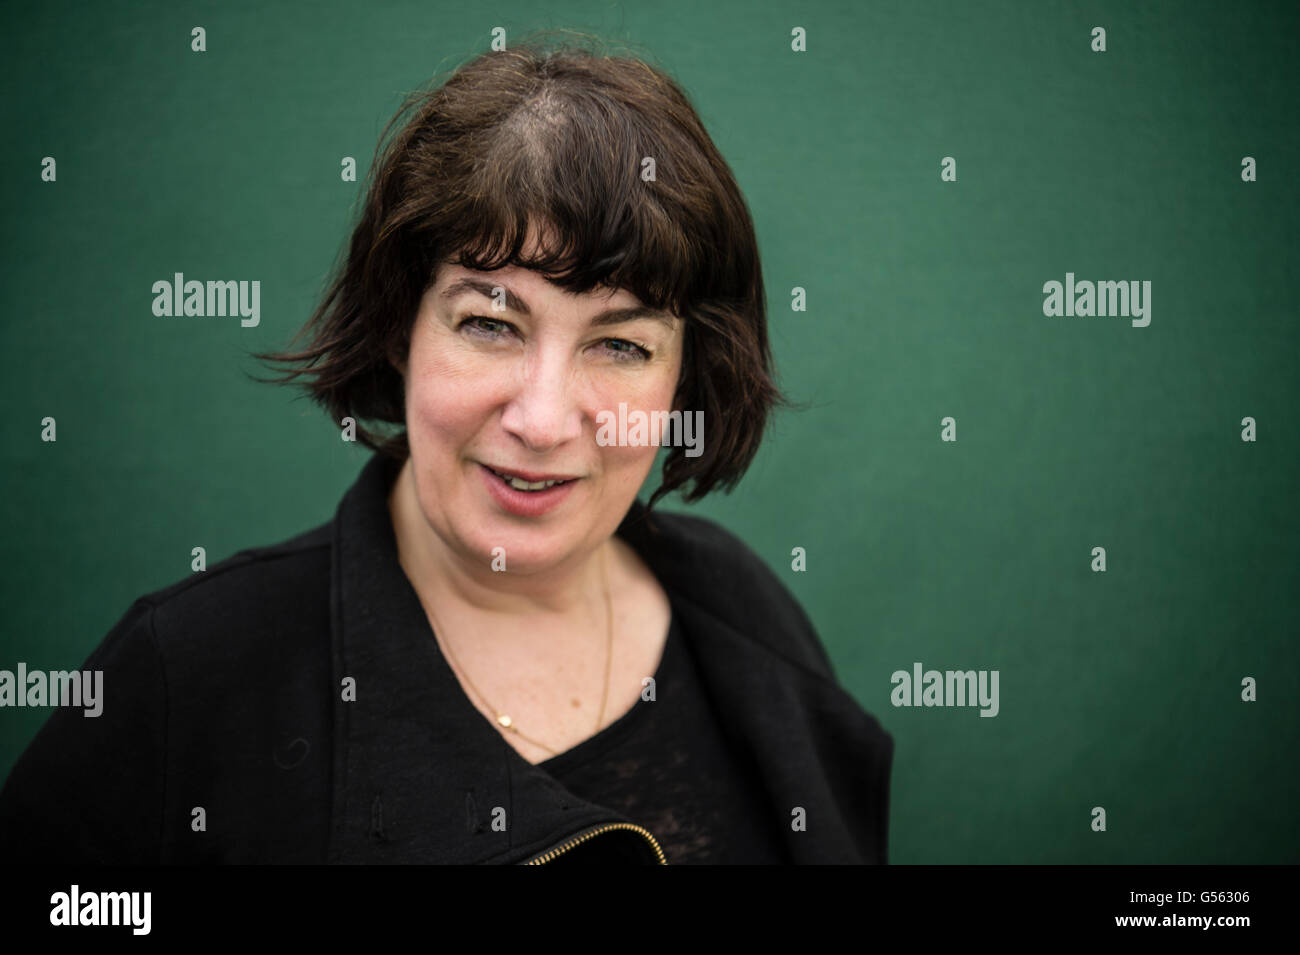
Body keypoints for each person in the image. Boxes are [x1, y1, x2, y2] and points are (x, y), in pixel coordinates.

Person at [0, 35, 892, 864]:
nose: (543, 420)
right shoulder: (184, 677)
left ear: (683, 381)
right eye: (490, 324)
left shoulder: (747, 624)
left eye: (620, 344)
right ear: (400, 331)